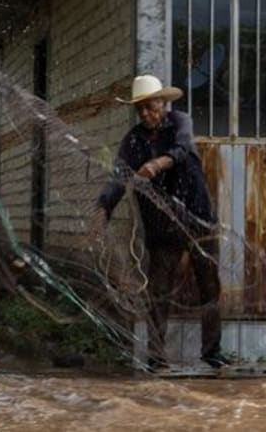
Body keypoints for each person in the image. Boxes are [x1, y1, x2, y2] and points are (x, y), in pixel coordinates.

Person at [90, 74, 229, 371]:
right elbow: (119, 177)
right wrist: (103, 208)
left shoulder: (180, 122)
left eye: (150, 107)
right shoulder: (133, 140)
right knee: (158, 291)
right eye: (140, 109)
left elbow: (182, 151)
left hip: (196, 216)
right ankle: (156, 357)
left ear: (163, 104)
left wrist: (154, 165)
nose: (145, 114)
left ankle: (212, 352)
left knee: (209, 285)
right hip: (162, 227)